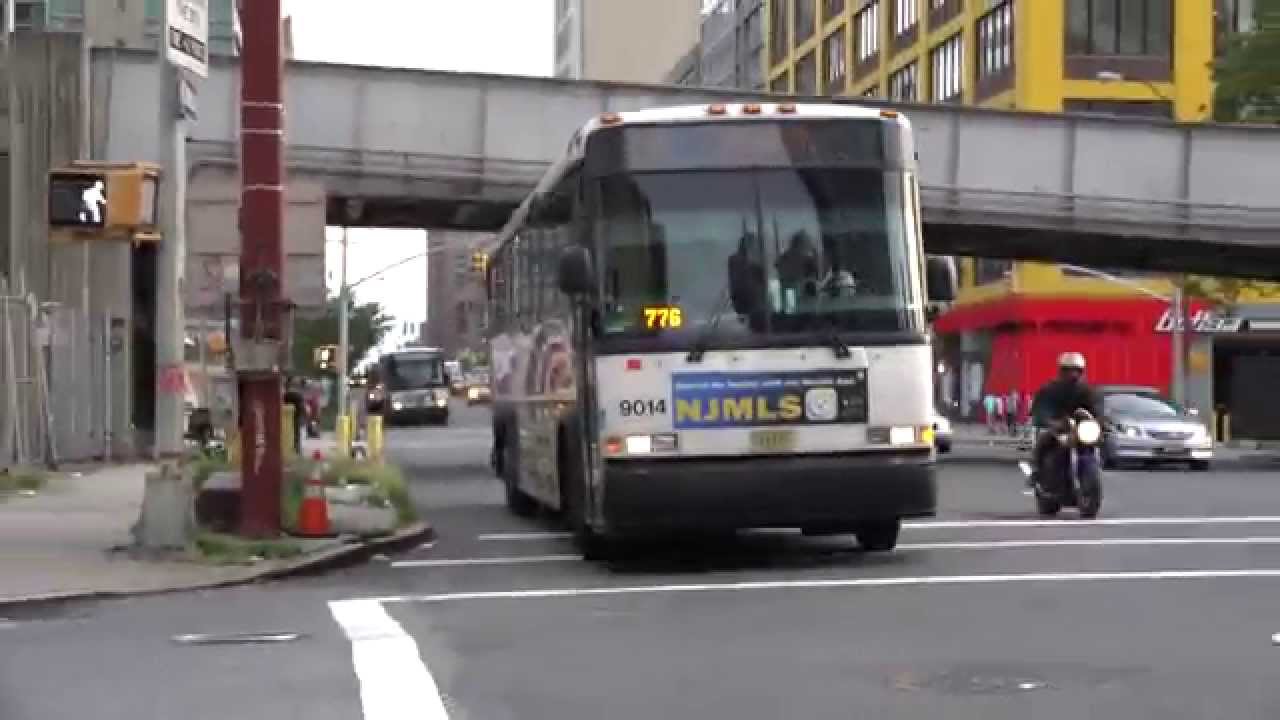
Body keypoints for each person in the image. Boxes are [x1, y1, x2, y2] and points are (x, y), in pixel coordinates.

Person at [1028, 353, 1103, 488]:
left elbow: (1096, 408)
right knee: (1043, 442)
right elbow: (1040, 408)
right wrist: (1048, 420)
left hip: (1080, 429)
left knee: (1099, 440)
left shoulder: (1088, 391)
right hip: (1058, 427)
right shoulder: (1049, 389)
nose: (1073, 374)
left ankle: (1090, 477)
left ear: (1081, 372)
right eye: (1068, 370)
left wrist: (1100, 421)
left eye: (1076, 370)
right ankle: (1037, 472)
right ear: (1061, 371)